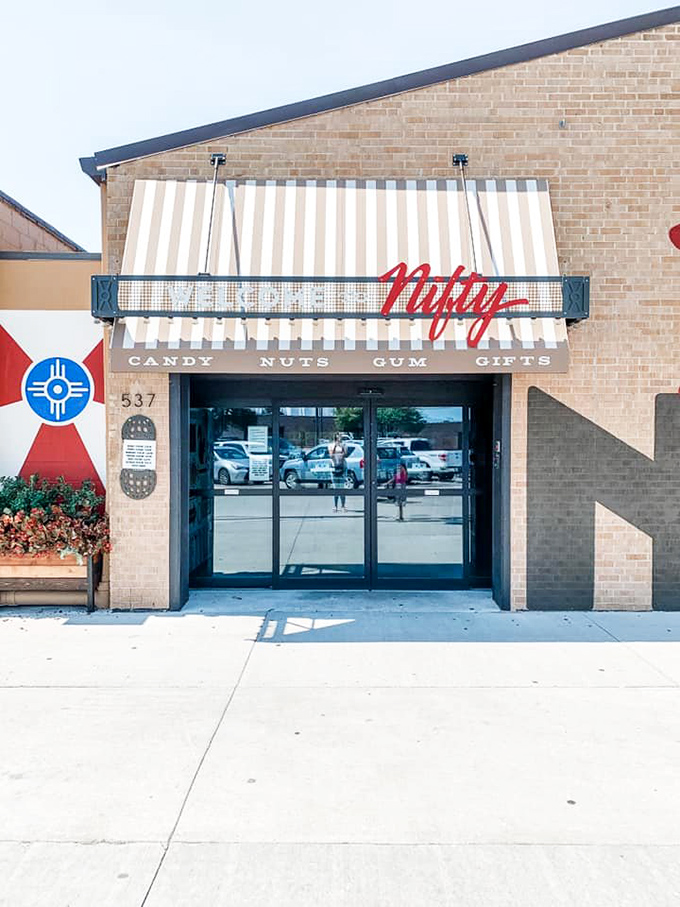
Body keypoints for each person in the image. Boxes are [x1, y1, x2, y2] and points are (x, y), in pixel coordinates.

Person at [328, 433, 348, 512]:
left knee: (342, 487)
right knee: (335, 487)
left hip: (342, 467)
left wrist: (342, 448)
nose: (339, 438)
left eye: (341, 437)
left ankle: (343, 506)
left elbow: (345, 454)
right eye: (338, 437)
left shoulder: (344, 445)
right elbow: (331, 455)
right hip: (334, 467)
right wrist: (336, 446)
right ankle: (335, 506)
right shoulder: (331, 445)